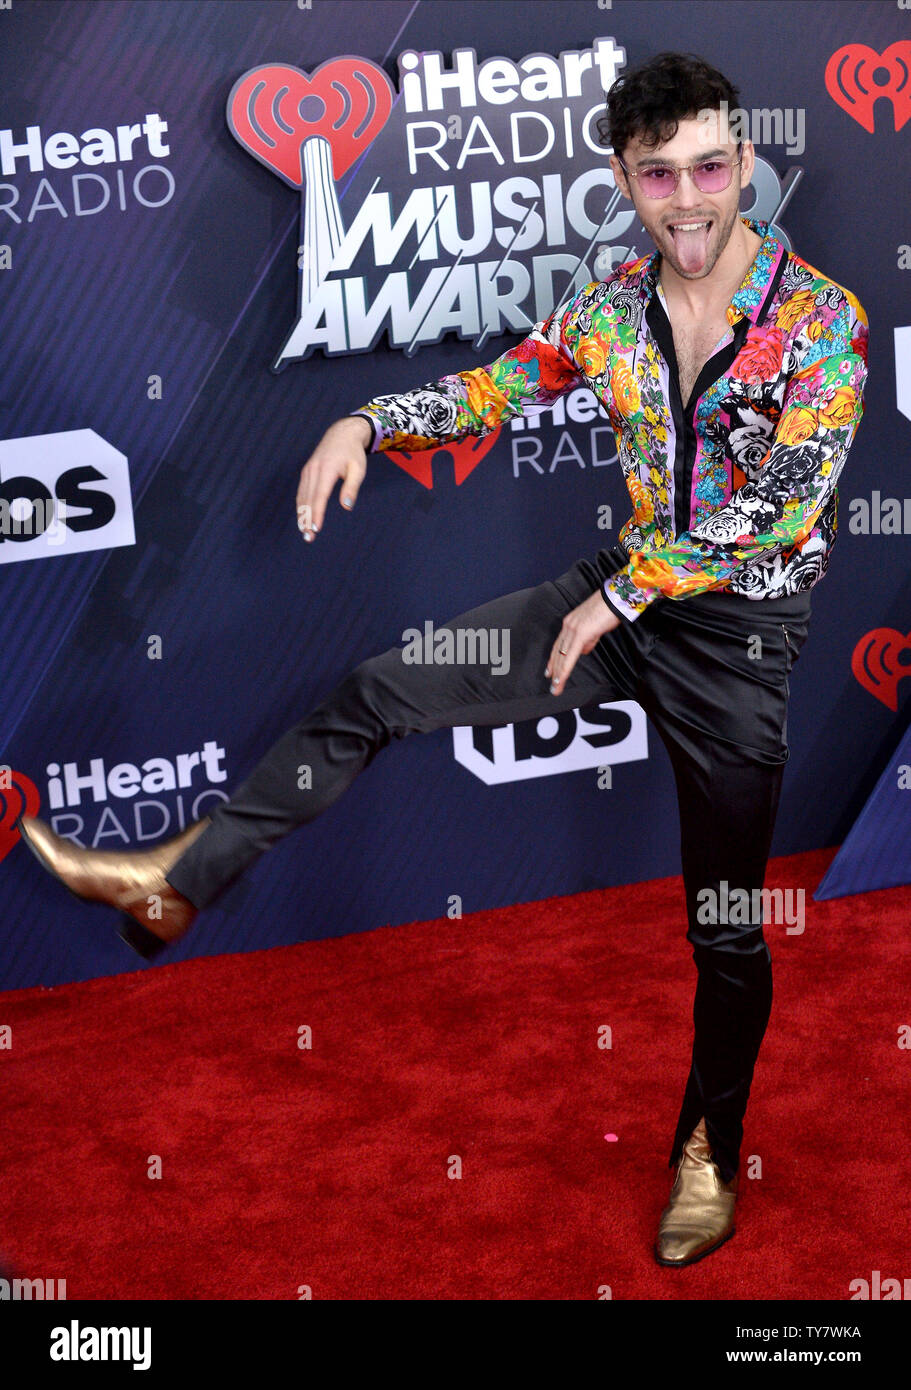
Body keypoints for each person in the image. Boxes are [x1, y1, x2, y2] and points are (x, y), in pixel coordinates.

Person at [17, 51, 868, 1268]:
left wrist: (622, 593)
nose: (688, 200)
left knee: (722, 927)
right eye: (657, 174)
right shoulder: (611, 301)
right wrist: (366, 420)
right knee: (378, 688)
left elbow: (777, 512)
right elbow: (504, 385)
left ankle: (705, 1149)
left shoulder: (819, 319)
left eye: (709, 167)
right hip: (612, 603)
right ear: (623, 178)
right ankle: (184, 876)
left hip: (733, 639)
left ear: (743, 163)